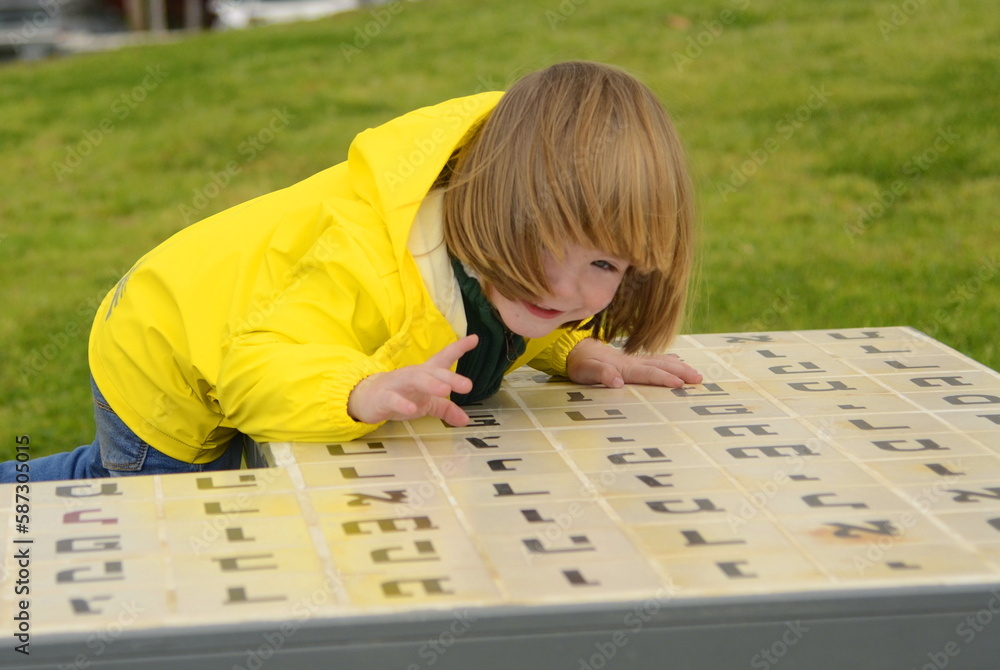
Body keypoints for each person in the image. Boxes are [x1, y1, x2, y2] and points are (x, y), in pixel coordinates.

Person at [0, 60, 701, 483]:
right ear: (495, 207)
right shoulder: (363, 261)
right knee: (168, 510)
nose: (570, 290)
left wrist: (571, 350)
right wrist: (358, 391)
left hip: (252, 332)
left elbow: (507, 311)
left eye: (605, 263)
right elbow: (258, 365)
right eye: (551, 249)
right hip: (168, 350)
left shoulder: (500, 255)